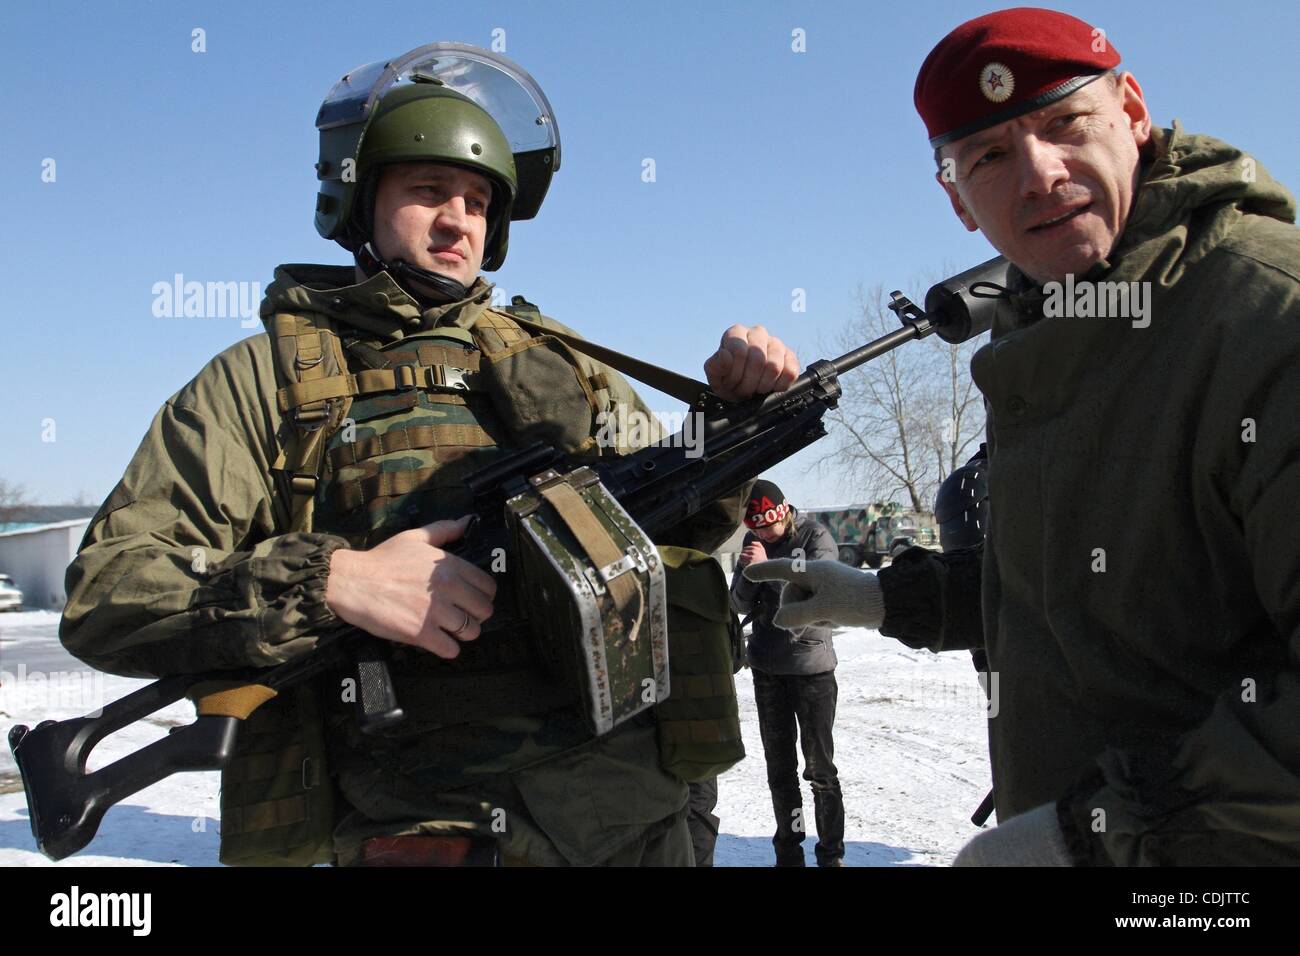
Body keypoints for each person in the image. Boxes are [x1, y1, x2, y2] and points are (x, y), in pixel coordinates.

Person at [59, 44, 799, 867]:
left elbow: (669, 533)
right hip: (425, 839)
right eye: (427, 191)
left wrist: (731, 426)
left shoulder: (568, 365)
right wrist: (333, 582)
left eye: (479, 201)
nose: (458, 220)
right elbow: (110, 591)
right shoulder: (267, 381)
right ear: (358, 198)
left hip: (632, 823)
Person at [745, 7, 1300, 865]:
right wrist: (887, 598)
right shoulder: (1044, 329)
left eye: (1064, 124)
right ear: (957, 198)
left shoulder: (1264, 318)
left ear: (1134, 111)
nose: (1040, 175)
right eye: (991, 156)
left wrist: (1096, 837)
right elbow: (1086, 581)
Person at [730, 480, 844, 866]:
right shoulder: (753, 544)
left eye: (768, 524)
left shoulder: (815, 538)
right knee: (780, 772)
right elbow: (737, 603)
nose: (762, 532)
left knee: (820, 772)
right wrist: (748, 572)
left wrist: (767, 568)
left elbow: (810, 602)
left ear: (784, 511)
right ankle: (788, 854)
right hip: (768, 671)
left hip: (811, 670)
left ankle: (831, 855)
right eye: (755, 526)